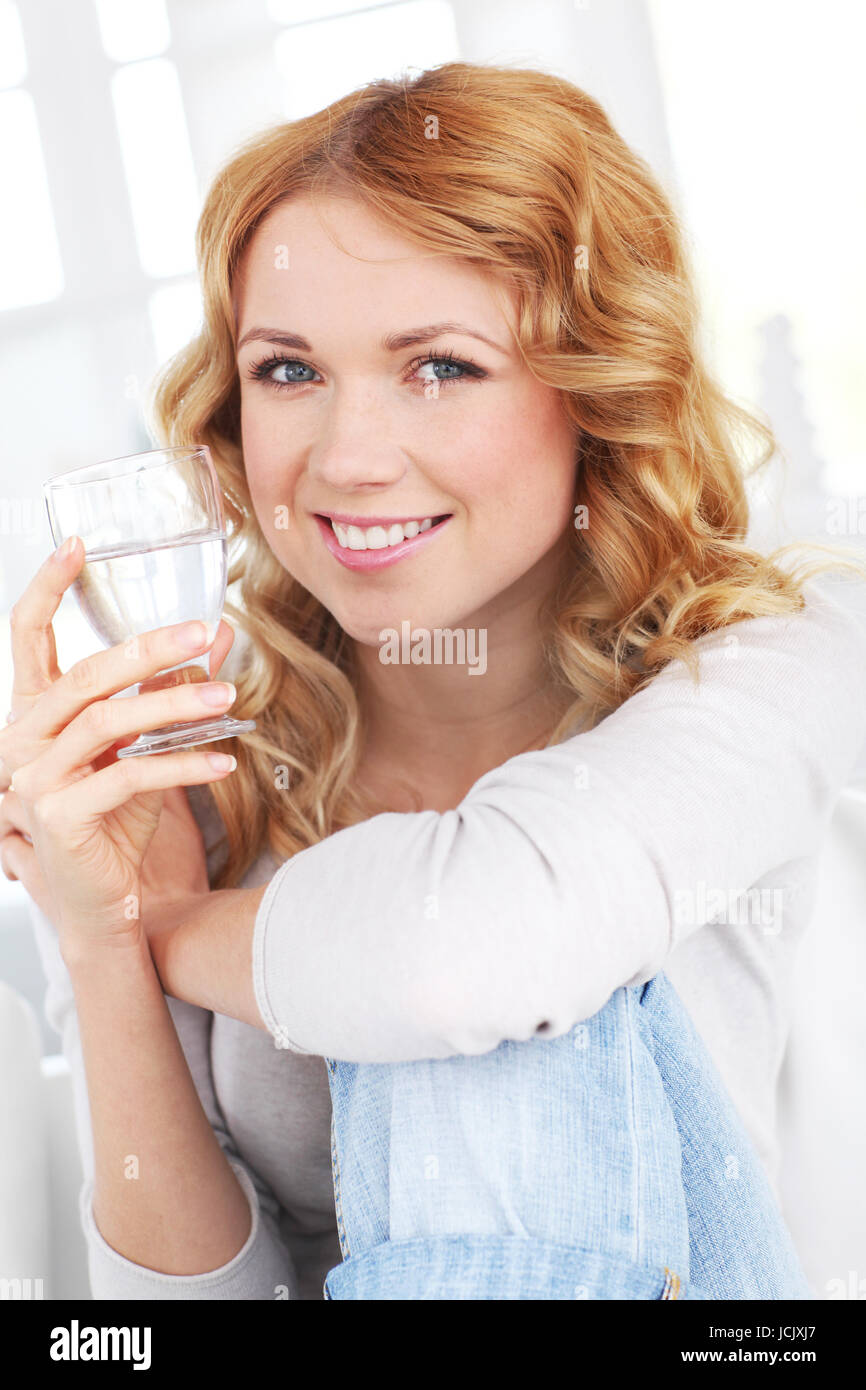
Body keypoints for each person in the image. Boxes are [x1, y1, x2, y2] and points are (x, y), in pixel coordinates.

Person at [3, 62, 865, 1300]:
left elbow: (467, 959)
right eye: (288, 371)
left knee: (497, 1034)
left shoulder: (765, 661)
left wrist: (167, 930)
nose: (346, 459)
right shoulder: (203, 765)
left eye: (441, 367)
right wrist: (97, 944)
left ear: (593, 393)